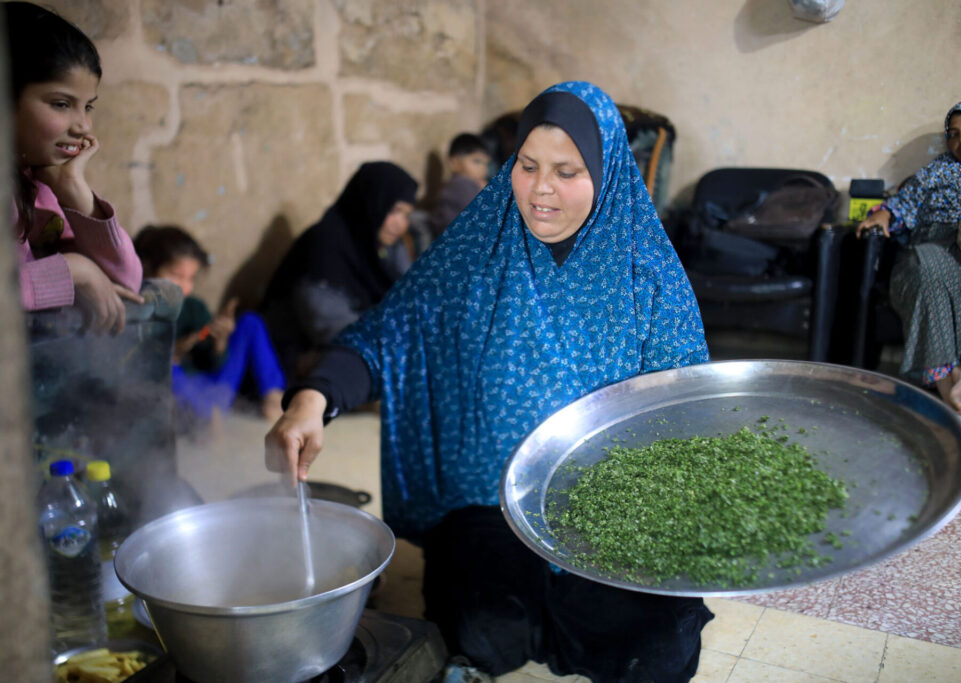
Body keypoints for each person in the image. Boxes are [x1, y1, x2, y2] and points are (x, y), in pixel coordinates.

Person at [265, 81, 712, 682]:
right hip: (493, 501)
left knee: (657, 640)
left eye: (567, 171)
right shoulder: (478, 250)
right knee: (473, 620)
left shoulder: (649, 278)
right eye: (527, 166)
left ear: (607, 174)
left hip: (615, 512)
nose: (541, 190)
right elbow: (387, 334)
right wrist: (313, 399)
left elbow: (690, 417)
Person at [856, 99, 961, 414]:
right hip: (940, 241)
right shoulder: (938, 170)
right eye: (954, 133)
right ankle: (947, 382)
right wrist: (884, 215)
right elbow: (903, 203)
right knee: (930, 268)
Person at [6, 1, 143, 334]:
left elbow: (125, 282)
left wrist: (73, 190)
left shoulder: (40, 185)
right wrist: (75, 270)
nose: (83, 125)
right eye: (61, 104)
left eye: (88, 106)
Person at [260, 161, 418, 382]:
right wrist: (395, 337)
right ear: (371, 203)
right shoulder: (325, 244)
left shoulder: (385, 248)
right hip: (306, 352)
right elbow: (330, 326)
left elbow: (413, 297)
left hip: (371, 340)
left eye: (407, 215)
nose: (400, 224)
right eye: (394, 211)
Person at [134, 225, 286, 423]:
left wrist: (220, 342)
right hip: (180, 396)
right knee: (164, 364)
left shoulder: (194, 308)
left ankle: (273, 396)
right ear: (147, 269)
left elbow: (213, 364)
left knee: (251, 322)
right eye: (175, 276)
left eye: (190, 278)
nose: (184, 287)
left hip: (214, 388)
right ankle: (205, 416)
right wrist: (174, 354)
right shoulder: (137, 311)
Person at [429, 132, 491, 237]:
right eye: (476, 161)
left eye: (486, 164)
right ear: (454, 163)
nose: (483, 169)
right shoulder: (461, 185)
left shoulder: (462, 185)